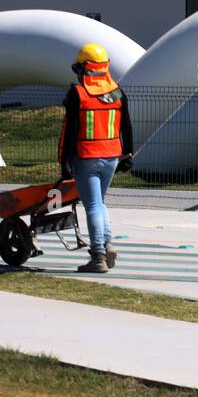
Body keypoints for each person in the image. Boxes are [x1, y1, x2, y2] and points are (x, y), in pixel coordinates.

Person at [58, 43, 134, 273]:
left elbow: (70, 131)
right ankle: (107, 242)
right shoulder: (117, 92)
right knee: (99, 203)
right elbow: (127, 126)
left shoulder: (78, 94)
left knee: (92, 206)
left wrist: (64, 161)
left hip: (86, 157)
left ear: (85, 69)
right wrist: (128, 153)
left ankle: (98, 256)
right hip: (111, 156)